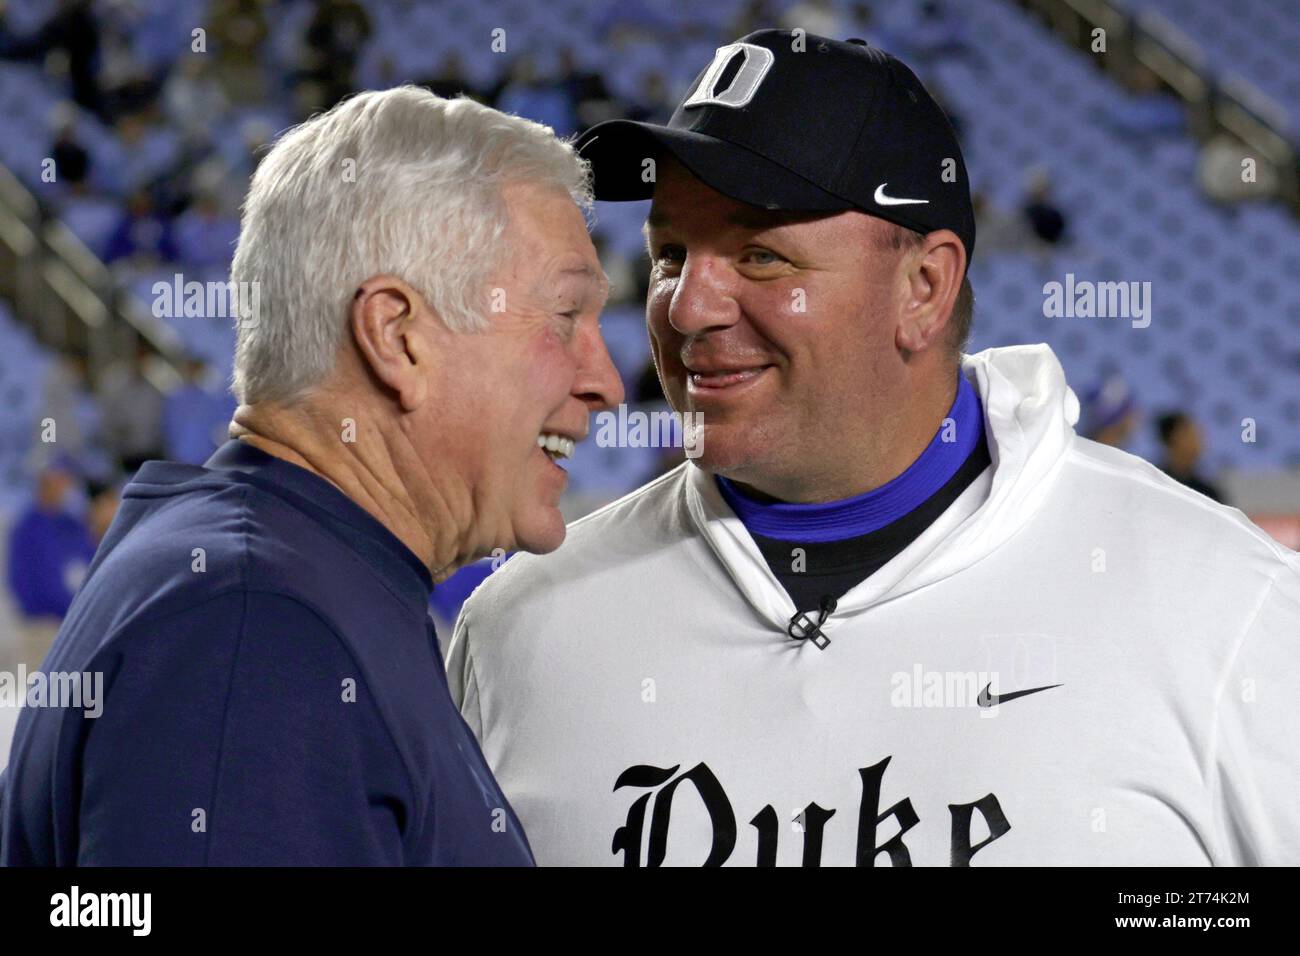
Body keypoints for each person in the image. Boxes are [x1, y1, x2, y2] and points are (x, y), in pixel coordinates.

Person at [448, 31, 1300, 866]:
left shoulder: (1223, 609)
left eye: (760, 254)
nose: (685, 307)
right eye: (671, 251)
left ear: (923, 288)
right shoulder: (521, 626)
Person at [0, 86, 622, 866]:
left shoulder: (277, 590)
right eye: (565, 318)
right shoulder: (254, 631)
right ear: (397, 337)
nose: (608, 380)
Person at [4, 457, 96, 672]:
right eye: (57, 481)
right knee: (39, 694)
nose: (63, 487)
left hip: (75, 628)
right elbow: (21, 582)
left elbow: (90, 568)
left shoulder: (73, 525)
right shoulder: (27, 528)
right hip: (39, 628)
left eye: (66, 481)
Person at [1157, 410, 1226, 504]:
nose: (1197, 440)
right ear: (1172, 437)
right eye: (1189, 434)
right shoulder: (1154, 483)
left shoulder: (1208, 493)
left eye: (1197, 435)